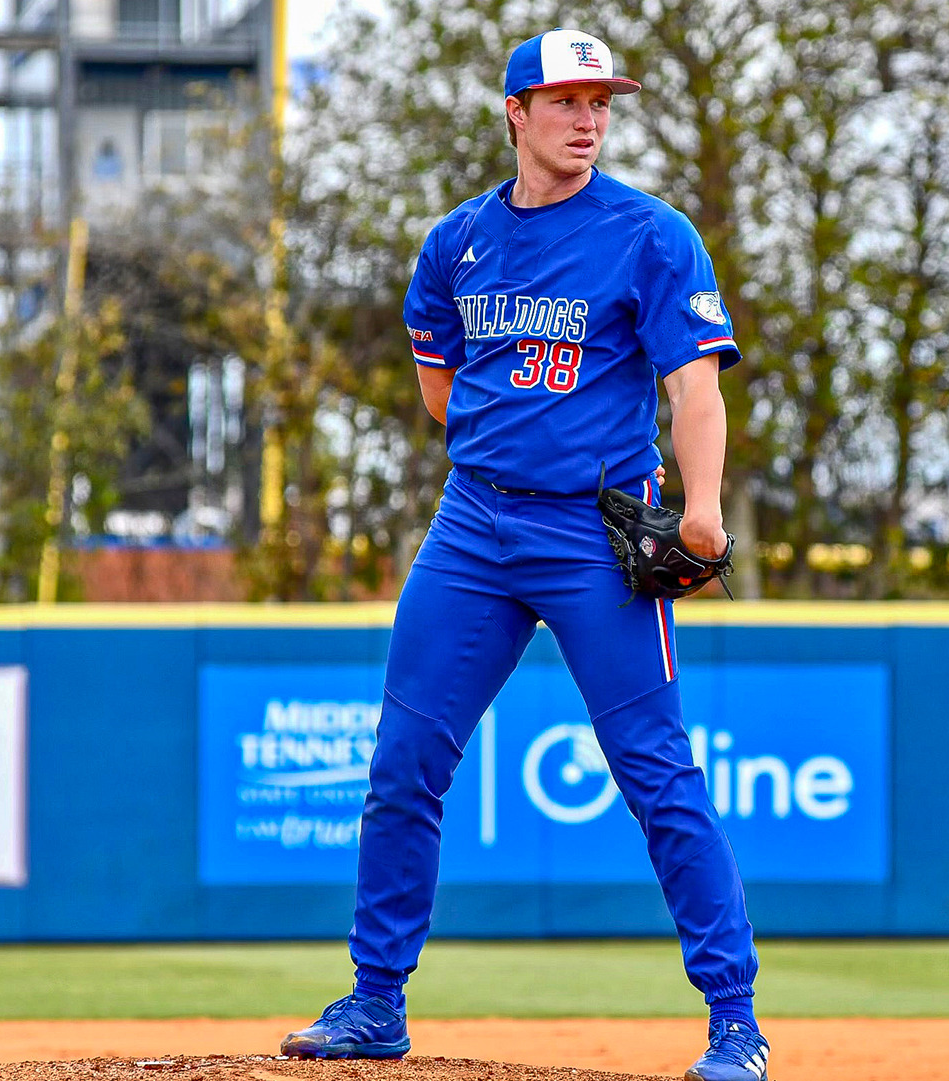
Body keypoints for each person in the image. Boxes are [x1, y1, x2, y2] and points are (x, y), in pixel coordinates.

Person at [279, 27, 769, 1081]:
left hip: (596, 531)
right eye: (566, 101)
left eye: (602, 102)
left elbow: (696, 388)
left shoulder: (651, 233)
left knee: (657, 775)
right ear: (516, 112)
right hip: (474, 527)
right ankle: (375, 1002)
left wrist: (704, 505)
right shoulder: (457, 241)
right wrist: (501, 448)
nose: (589, 118)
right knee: (404, 764)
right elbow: (440, 385)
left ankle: (736, 1023)